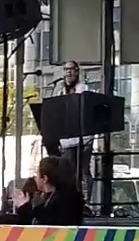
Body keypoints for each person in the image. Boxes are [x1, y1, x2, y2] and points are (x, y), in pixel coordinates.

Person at [53, 61, 93, 197]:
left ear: (77, 72)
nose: (68, 72)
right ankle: (72, 198)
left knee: (83, 171)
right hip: (67, 140)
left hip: (83, 138)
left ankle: (86, 201)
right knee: (69, 172)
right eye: (66, 70)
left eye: (71, 69)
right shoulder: (60, 92)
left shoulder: (83, 89)